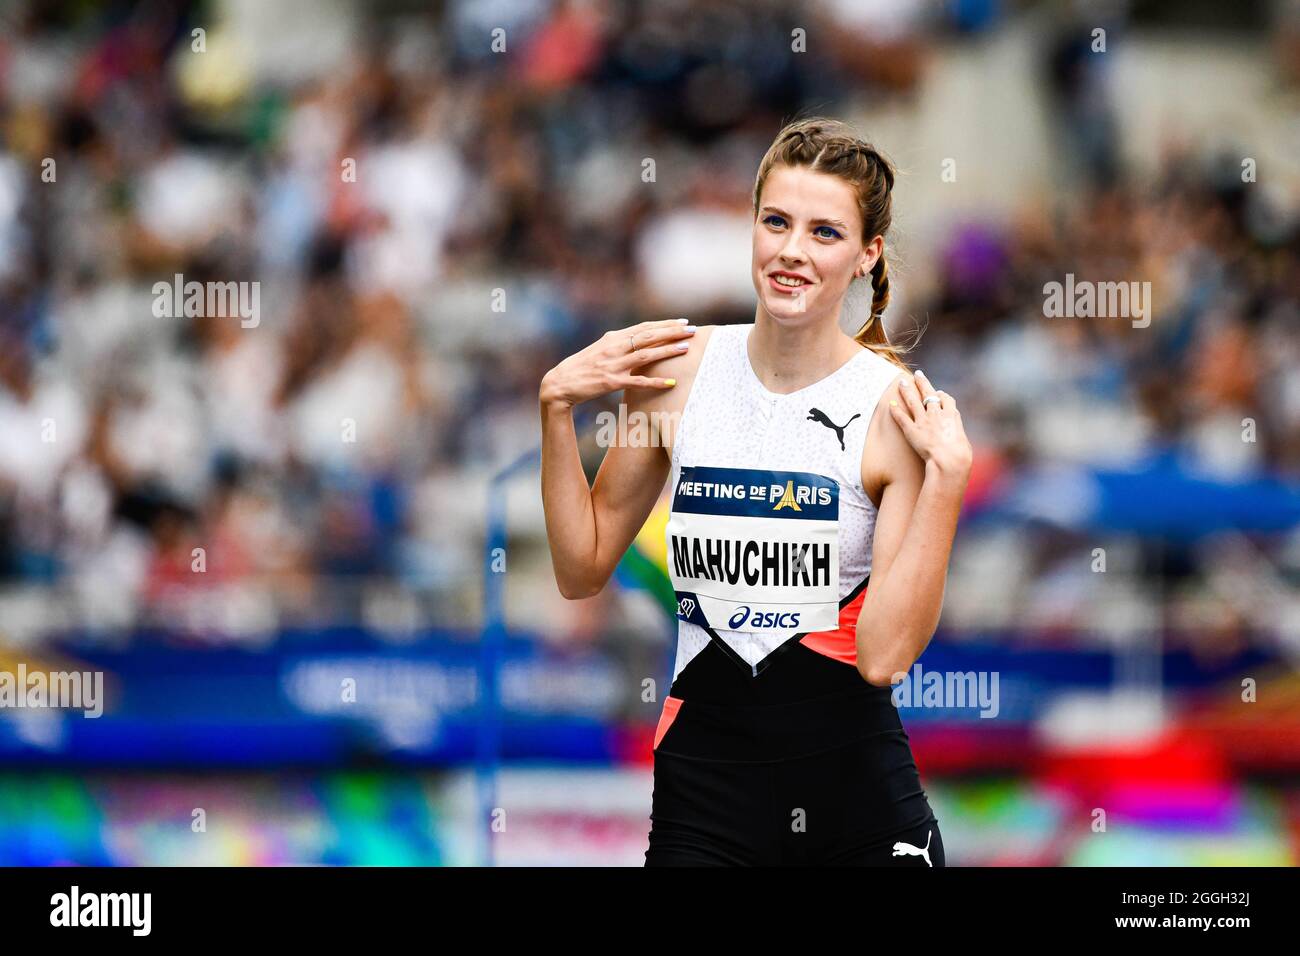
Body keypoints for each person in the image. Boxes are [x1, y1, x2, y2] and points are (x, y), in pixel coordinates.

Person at [539, 117, 972, 866]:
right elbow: (581, 570)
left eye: (824, 232)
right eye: (776, 221)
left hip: (855, 797)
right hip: (705, 793)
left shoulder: (893, 408)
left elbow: (883, 656)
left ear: (869, 255)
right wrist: (553, 407)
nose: (792, 251)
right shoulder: (676, 373)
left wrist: (947, 484)